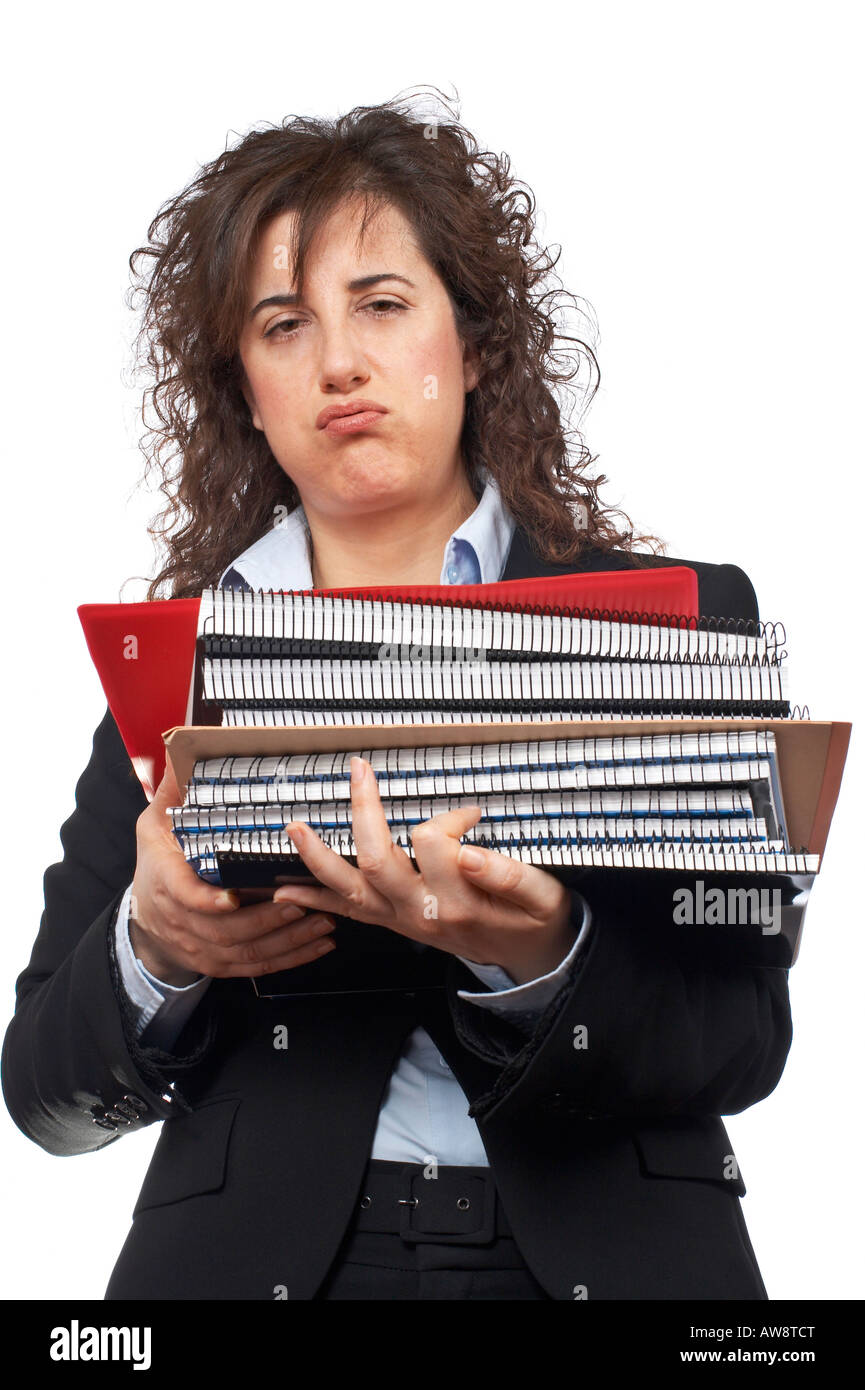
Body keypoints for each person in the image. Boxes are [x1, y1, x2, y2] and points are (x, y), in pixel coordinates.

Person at [1, 92, 785, 1301]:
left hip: (610, 1262)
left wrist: (536, 952)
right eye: (282, 326)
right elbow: (40, 1093)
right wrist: (154, 947)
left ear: (471, 346)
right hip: (257, 1266)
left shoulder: (669, 624)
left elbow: (743, 1033)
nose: (340, 363)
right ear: (245, 390)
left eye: (380, 304)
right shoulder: (175, 670)